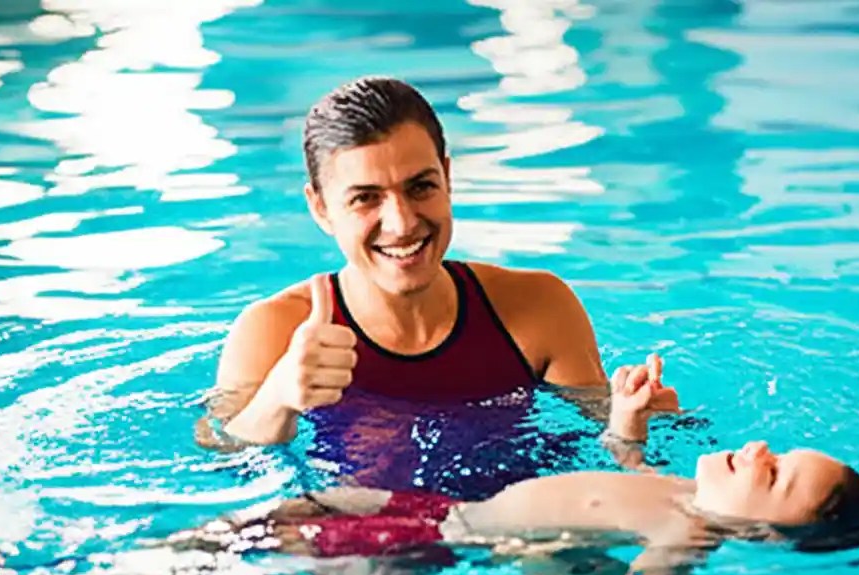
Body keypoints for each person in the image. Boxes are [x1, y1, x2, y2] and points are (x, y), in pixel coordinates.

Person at [0, 360, 859, 575]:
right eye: (779, 450)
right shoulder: (685, 489)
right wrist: (630, 419)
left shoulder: (689, 532)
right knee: (262, 524)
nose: (759, 448)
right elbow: (623, 466)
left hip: (438, 536)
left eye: (774, 476)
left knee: (257, 538)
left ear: (760, 532)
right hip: (433, 514)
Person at [197, 76, 610, 448]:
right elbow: (220, 452)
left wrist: (633, 426)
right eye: (365, 198)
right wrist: (279, 395)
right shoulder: (275, 330)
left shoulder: (540, 309)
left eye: (421, 187)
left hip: (517, 527)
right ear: (321, 209)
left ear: (447, 179)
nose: (402, 223)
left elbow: (607, 448)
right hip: (351, 524)